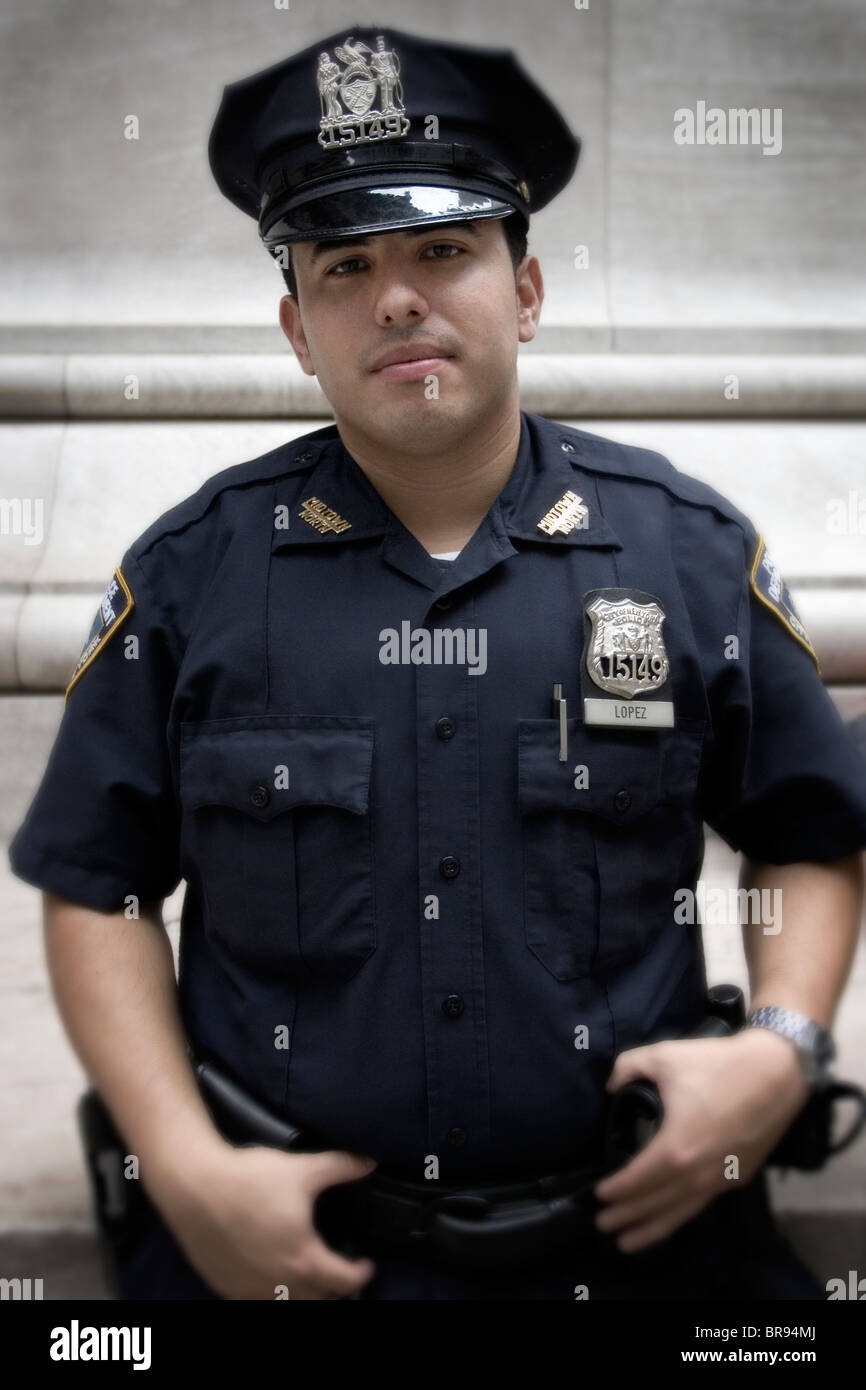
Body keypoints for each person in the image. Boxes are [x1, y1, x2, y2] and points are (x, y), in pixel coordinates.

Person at [9, 25, 866, 1303]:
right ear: (297, 327)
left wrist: (782, 1044)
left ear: (523, 291)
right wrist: (185, 1170)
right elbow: (97, 883)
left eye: (443, 250)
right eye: (345, 265)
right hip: (289, 1255)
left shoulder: (686, 556)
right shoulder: (190, 576)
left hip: (644, 1247)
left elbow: (805, 826)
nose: (398, 297)